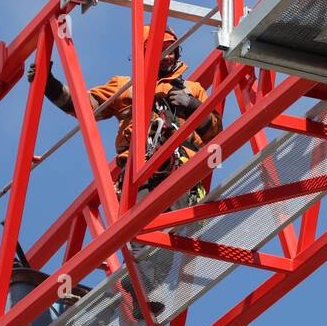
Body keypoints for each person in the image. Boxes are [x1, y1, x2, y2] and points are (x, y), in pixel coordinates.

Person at [27, 25, 219, 204]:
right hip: (139, 176)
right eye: (162, 50)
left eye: (172, 49)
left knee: (181, 226)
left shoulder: (192, 90)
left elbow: (215, 135)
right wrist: (49, 85)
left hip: (184, 173)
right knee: (144, 234)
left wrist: (192, 106)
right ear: (146, 53)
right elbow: (83, 107)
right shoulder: (126, 88)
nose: (169, 56)